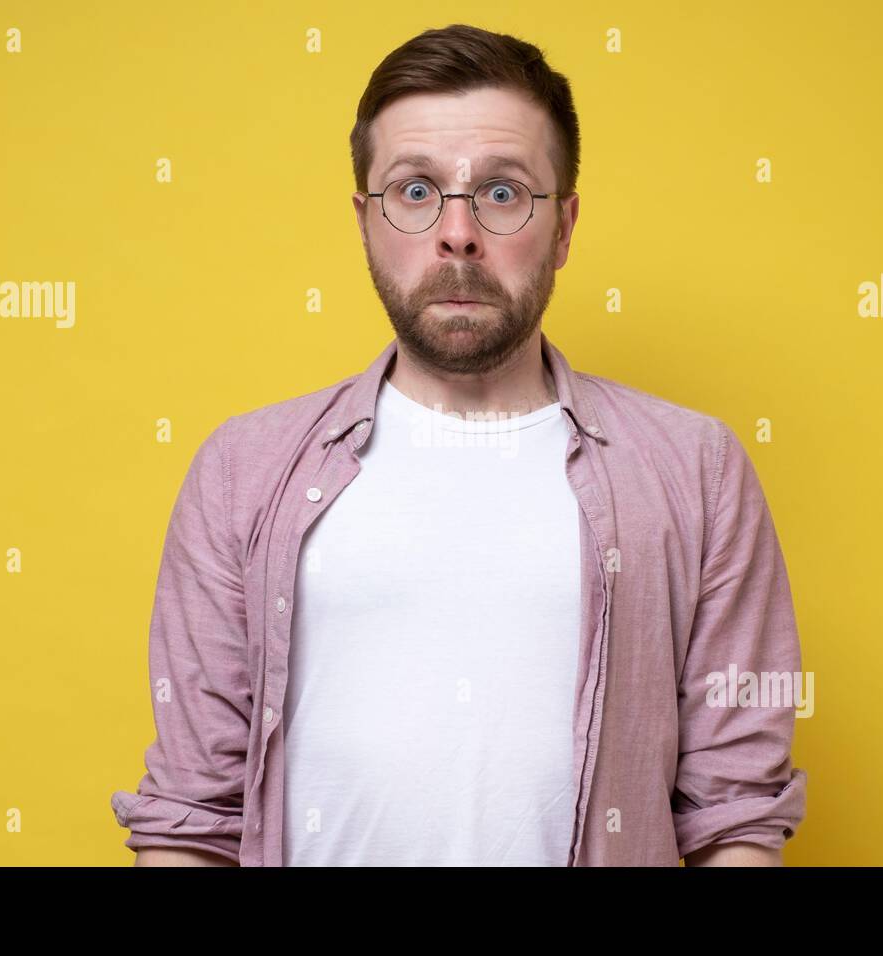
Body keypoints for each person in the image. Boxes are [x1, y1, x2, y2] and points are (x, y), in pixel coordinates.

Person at [111, 22, 807, 867]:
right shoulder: (241, 472)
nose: (458, 233)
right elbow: (193, 814)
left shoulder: (696, 469)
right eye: (415, 191)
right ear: (365, 221)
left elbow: (733, 815)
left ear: (566, 226)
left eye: (504, 193)